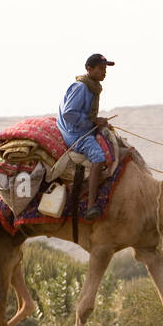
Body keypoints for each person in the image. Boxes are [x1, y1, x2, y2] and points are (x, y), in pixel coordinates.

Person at [58, 53, 114, 219]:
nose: (104, 72)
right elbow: (69, 114)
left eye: (105, 69)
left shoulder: (93, 87)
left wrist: (97, 123)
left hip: (82, 128)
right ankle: (91, 206)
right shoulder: (82, 87)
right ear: (89, 69)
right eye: (101, 68)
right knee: (98, 157)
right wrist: (93, 122)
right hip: (74, 132)